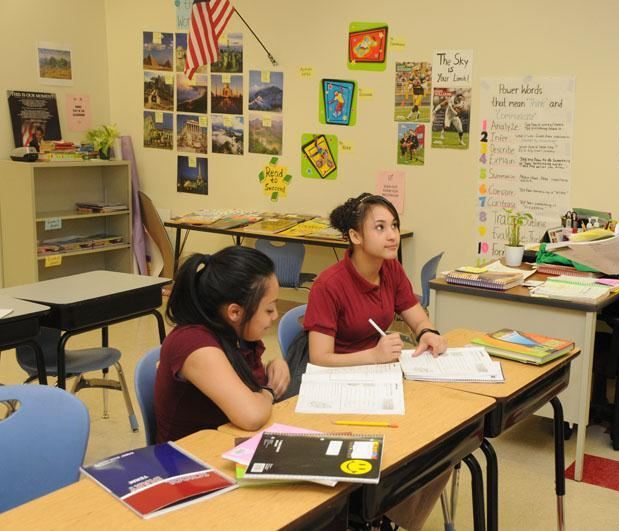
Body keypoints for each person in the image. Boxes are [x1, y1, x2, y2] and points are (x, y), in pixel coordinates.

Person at [303, 193, 448, 530]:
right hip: (338, 385)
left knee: (439, 441)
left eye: (394, 225)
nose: (392, 235)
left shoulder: (391, 269)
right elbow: (319, 358)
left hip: (380, 377)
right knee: (402, 445)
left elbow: (415, 314)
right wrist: (372, 355)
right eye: (380, 227)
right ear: (355, 236)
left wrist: (428, 331)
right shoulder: (329, 285)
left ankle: (389, 515)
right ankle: (373, 513)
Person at [155, 246, 290, 443]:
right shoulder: (194, 344)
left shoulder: (235, 332)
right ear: (235, 312)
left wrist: (274, 366)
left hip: (229, 443)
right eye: (269, 310)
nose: (275, 316)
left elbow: (248, 383)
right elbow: (251, 415)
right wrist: (269, 390)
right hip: (190, 460)